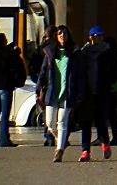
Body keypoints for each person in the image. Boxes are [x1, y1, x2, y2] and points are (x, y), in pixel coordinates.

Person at [69, 24, 117, 162]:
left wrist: (108, 81)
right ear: (91, 37)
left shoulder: (108, 52)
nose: (100, 38)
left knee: (101, 121)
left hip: (102, 92)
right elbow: (77, 73)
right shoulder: (82, 53)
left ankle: (105, 143)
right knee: (86, 123)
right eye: (97, 36)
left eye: (102, 36)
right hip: (86, 93)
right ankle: (85, 151)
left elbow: (115, 69)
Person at [37, 25, 76, 162]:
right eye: (60, 34)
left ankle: (59, 151)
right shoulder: (50, 53)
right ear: (56, 37)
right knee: (49, 123)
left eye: (65, 34)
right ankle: (61, 140)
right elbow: (43, 72)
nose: (62, 36)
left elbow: (78, 74)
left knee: (62, 122)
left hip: (67, 92)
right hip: (52, 92)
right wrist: (38, 87)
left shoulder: (73, 53)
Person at [0, 32, 28, 147]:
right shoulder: (8, 53)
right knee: (5, 115)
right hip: (5, 86)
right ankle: (4, 139)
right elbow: (14, 62)